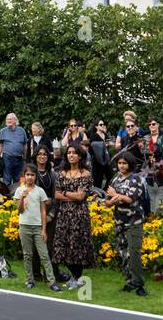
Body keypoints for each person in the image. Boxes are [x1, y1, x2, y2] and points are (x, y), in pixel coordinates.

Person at [53, 145, 96, 290]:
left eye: (74, 153)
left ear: (80, 156)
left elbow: (81, 196)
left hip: (79, 215)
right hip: (64, 214)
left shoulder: (85, 174)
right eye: (69, 153)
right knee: (64, 245)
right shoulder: (62, 173)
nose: (71, 155)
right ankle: (74, 277)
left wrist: (65, 193)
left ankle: (78, 278)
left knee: (77, 245)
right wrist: (69, 195)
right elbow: (56, 194)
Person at [105, 153, 147, 296]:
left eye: (124, 163)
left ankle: (139, 283)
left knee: (134, 252)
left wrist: (115, 194)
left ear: (130, 164)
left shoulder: (136, 179)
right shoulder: (115, 178)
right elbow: (107, 201)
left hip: (133, 222)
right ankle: (129, 282)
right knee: (123, 253)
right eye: (119, 163)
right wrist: (111, 200)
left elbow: (130, 199)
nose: (121, 166)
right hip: (119, 222)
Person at [15, 166, 60, 291]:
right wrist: (23, 197)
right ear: (24, 176)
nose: (30, 177)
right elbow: (19, 210)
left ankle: (52, 281)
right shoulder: (19, 190)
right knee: (27, 255)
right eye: (28, 174)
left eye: (32, 175)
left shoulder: (40, 191)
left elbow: (43, 211)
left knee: (44, 254)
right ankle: (30, 280)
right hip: (24, 226)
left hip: (38, 227)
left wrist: (44, 229)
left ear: (35, 177)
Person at [0, 113, 28, 192]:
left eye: (10, 119)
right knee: (7, 179)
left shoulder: (21, 130)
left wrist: (25, 156)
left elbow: (24, 145)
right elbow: (0, 145)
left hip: (19, 158)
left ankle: (18, 196)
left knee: (19, 179)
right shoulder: (3, 131)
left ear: (15, 120)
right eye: (7, 119)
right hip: (7, 158)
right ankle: (7, 198)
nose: (8, 120)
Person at [89, 120, 111, 189]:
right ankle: (97, 195)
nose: (103, 126)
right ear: (96, 127)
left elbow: (108, 144)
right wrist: (104, 145)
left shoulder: (105, 135)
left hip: (106, 160)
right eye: (101, 124)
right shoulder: (94, 136)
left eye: (103, 124)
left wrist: (109, 144)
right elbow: (92, 149)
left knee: (111, 176)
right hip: (97, 161)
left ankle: (105, 190)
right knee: (98, 180)